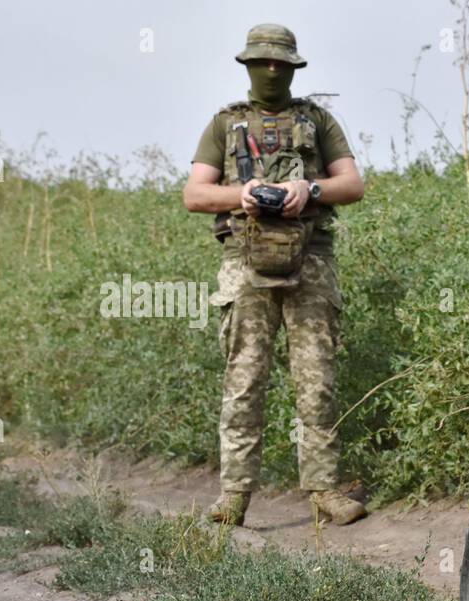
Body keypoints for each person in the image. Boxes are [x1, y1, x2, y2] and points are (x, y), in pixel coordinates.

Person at [182, 23, 367, 527]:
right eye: (262, 62)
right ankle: (234, 496)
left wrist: (311, 189)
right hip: (244, 265)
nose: (270, 70)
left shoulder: (318, 120)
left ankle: (325, 491)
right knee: (244, 381)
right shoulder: (225, 124)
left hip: (311, 264)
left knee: (317, 382)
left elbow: (352, 183)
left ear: (292, 67)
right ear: (246, 65)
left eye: (279, 63)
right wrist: (241, 195)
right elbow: (195, 194)